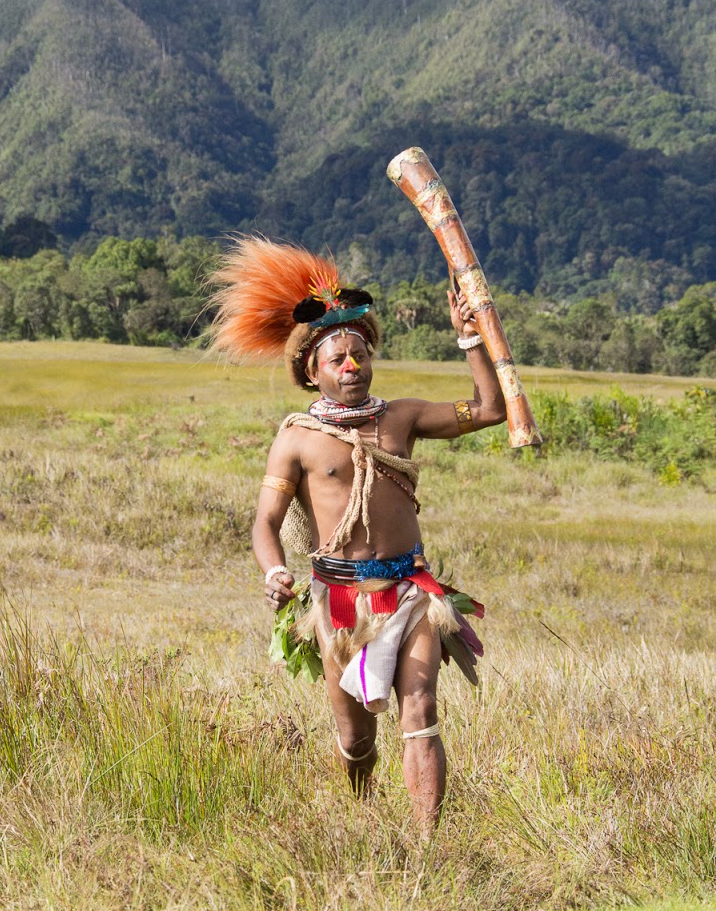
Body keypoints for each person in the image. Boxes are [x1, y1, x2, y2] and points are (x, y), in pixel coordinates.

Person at [209, 237, 506, 825]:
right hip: (341, 603)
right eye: (337, 360)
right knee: (357, 738)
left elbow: (490, 408)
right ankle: (361, 810)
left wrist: (470, 337)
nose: (352, 368)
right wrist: (275, 570)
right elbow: (265, 522)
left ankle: (428, 851)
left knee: (419, 709)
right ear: (311, 371)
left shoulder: (402, 417)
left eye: (360, 356)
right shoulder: (296, 438)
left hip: (412, 593)